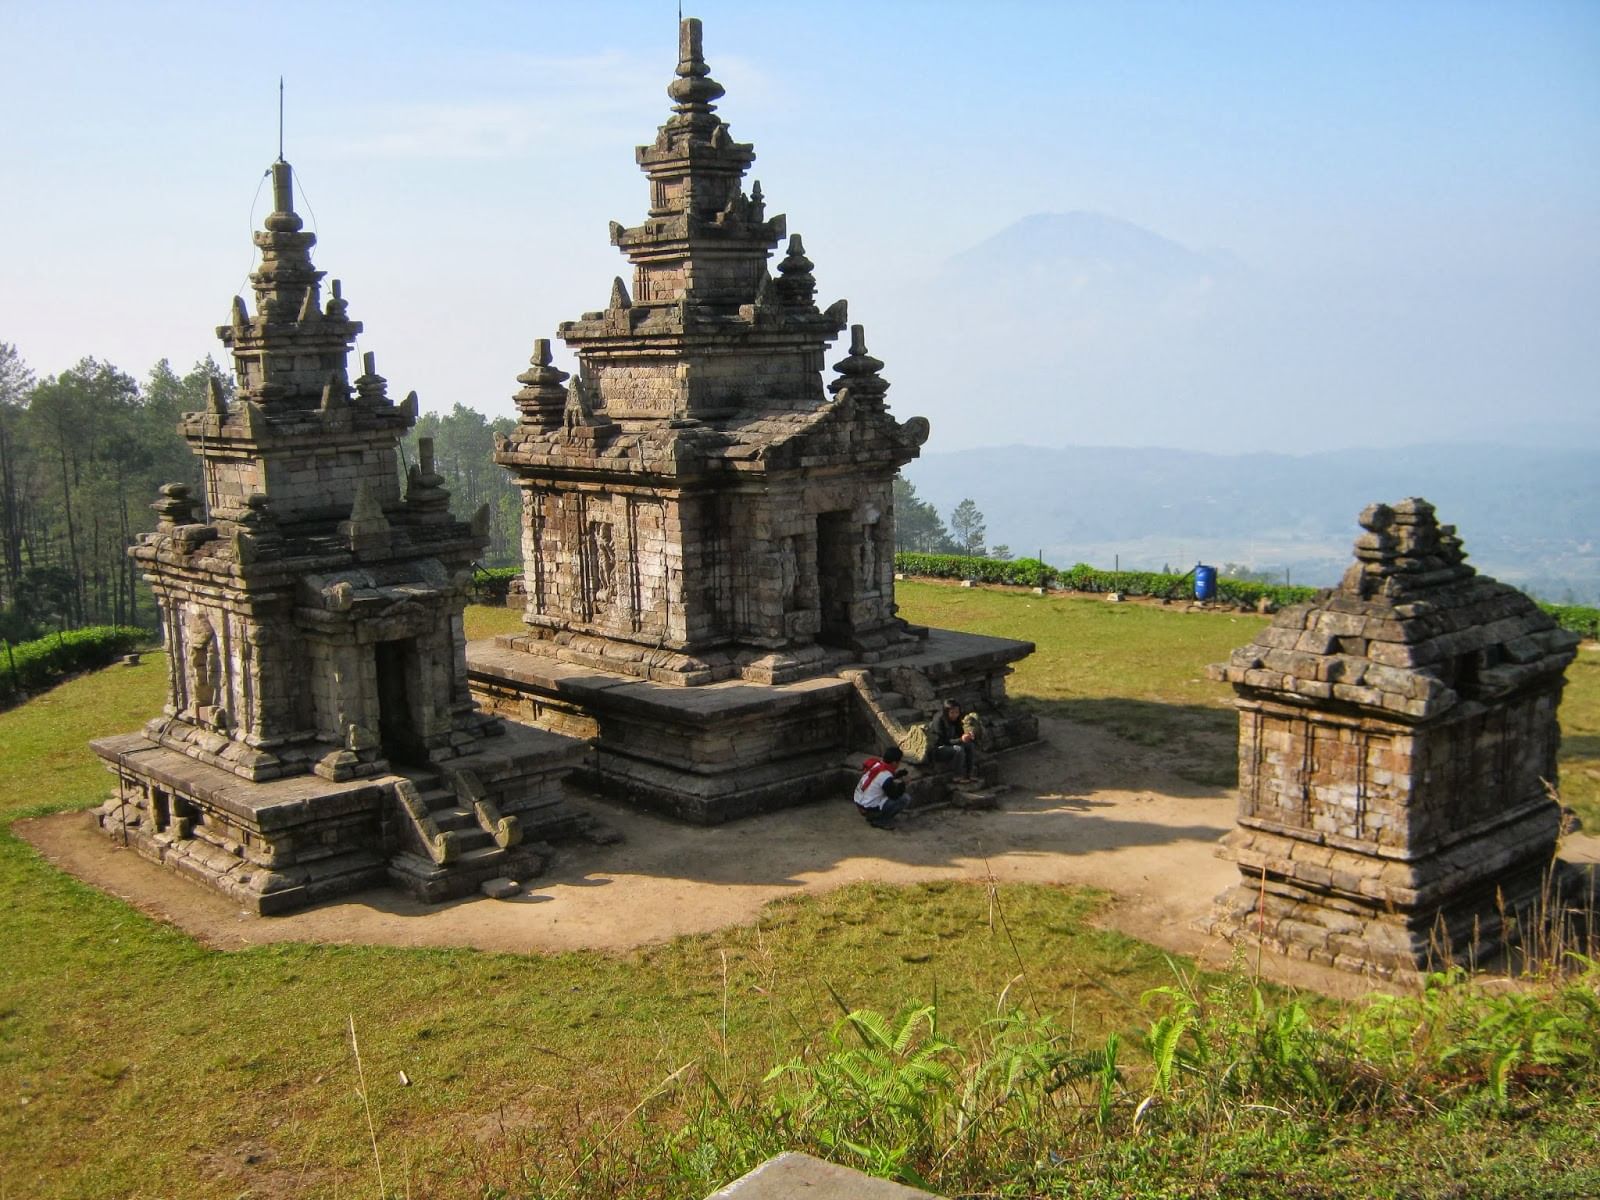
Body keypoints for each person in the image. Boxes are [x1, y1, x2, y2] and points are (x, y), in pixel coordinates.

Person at [854, 744, 910, 829]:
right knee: (905, 798)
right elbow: (894, 795)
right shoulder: (885, 776)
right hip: (868, 809)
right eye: (899, 762)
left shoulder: (876, 765)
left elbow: (879, 778)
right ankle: (880, 820)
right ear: (894, 763)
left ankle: (875, 816)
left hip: (860, 803)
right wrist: (903, 784)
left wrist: (898, 775)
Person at [930, 698, 979, 781]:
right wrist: (960, 740)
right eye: (952, 712)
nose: (955, 715)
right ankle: (957, 776)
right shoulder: (939, 720)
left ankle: (969, 774)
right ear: (946, 712)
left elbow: (960, 733)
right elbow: (943, 741)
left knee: (970, 745)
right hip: (939, 748)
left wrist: (968, 736)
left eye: (957, 712)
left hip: (951, 743)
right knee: (959, 749)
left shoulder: (956, 719)